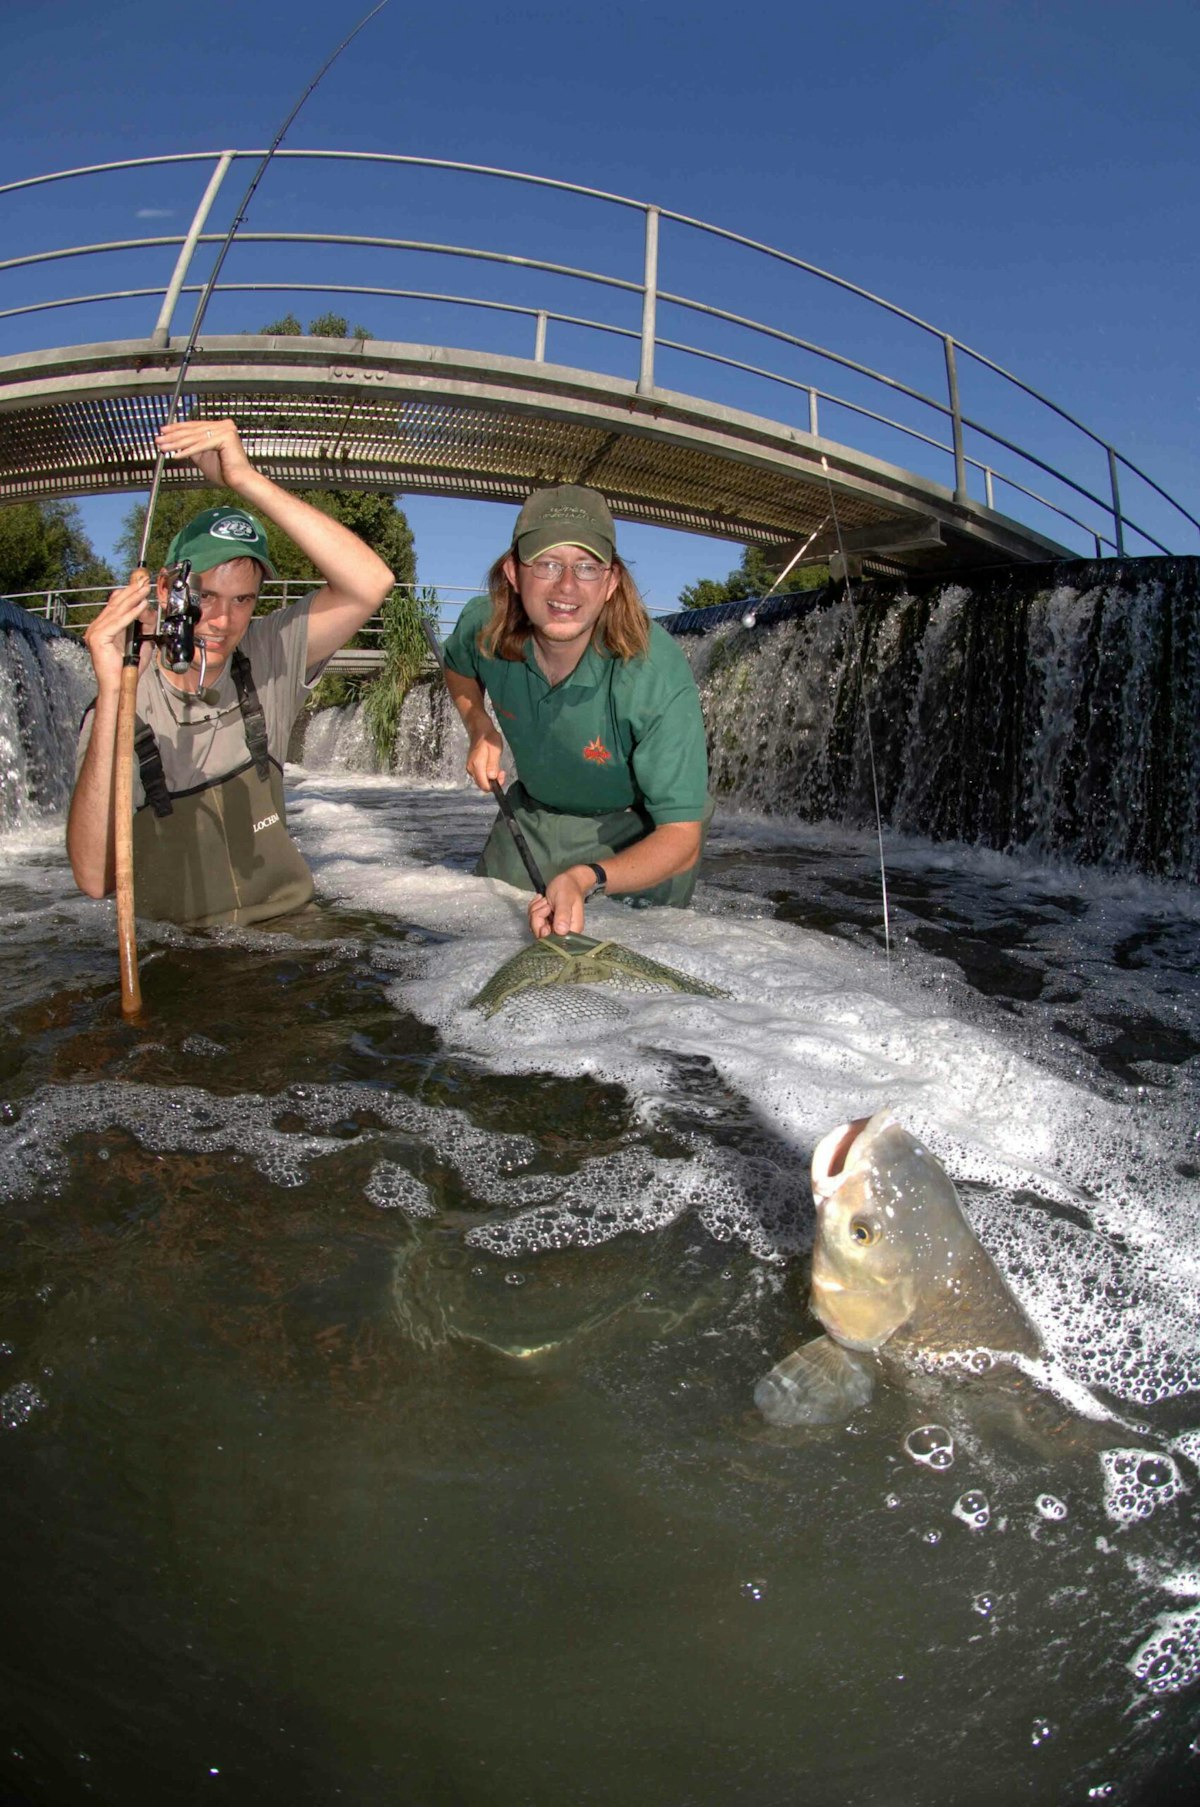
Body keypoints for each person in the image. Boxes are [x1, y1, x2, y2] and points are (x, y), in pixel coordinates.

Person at [67, 418, 395, 928]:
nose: (223, 620)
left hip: (290, 935)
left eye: (243, 600)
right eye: (206, 597)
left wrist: (244, 478)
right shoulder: (123, 695)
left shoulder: (267, 656)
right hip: (181, 953)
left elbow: (372, 582)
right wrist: (112, 692)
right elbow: (93, 878)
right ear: (165, 593)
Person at [443, 484, 711, 939]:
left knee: (632, 985)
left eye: (587, 567)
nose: (566, 586)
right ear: (513, 572)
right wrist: (478, 724)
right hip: (531, 813)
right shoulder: (481, 623)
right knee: (480, 945)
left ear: (610, 583)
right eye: (547, 563)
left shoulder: (654, 668)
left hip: (636, 832)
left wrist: (587, 876)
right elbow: (458, 669)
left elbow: (682, 836)